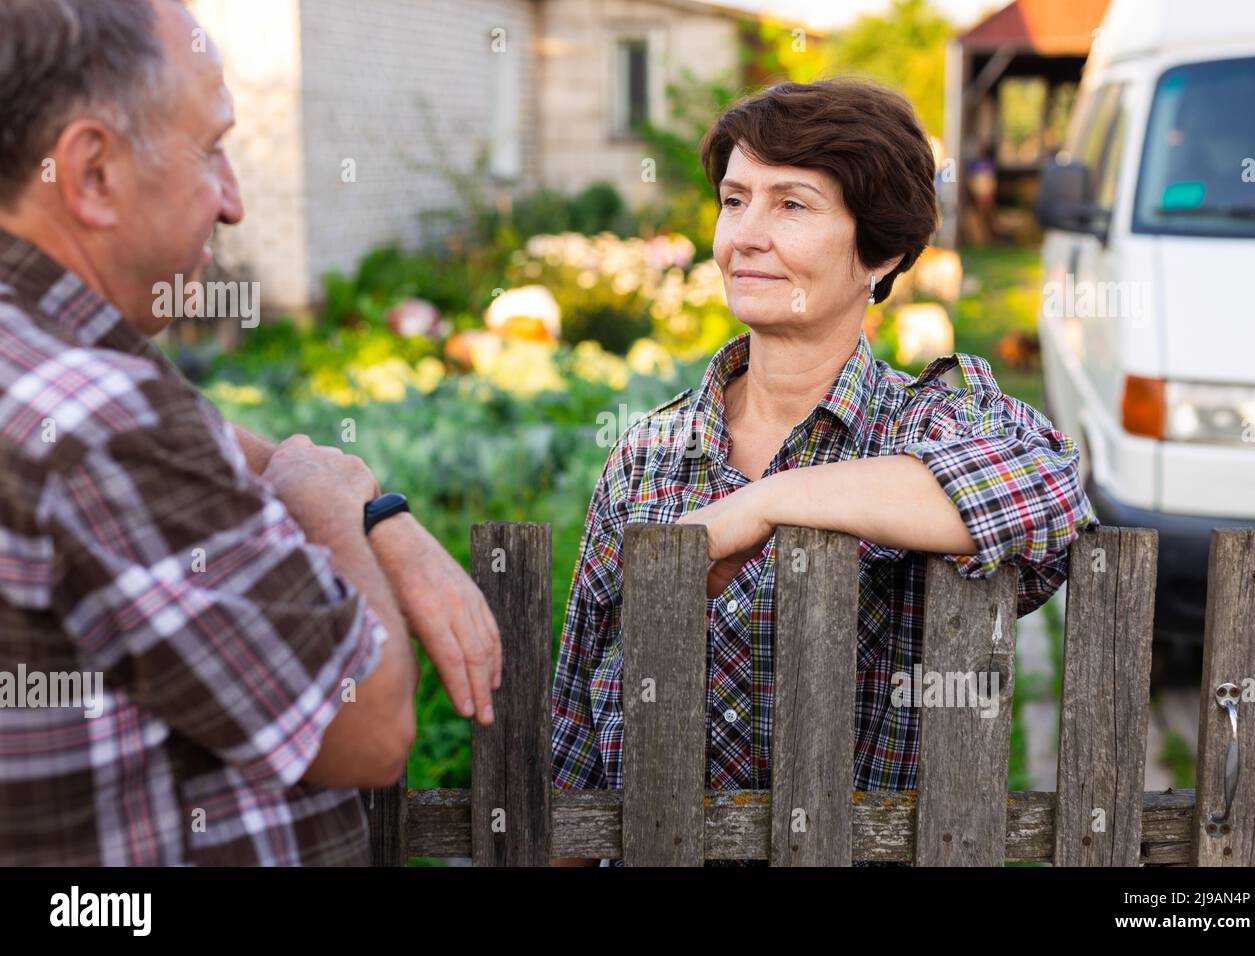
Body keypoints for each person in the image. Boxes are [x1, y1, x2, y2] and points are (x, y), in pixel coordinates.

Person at [550, 78, 1098, 866]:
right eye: (735, 200)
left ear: (881, 251)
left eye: (792, 205)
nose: (746, 235)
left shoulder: (923, 425)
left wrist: (771, 502)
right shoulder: (649, 455)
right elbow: (572, 728)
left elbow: (1049, 491)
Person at [0, 0, 500, 865]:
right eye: (211, 149)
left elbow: (206, 437)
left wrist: (381, 511)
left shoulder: (47, 361)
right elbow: (369, 727)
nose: (232, 203)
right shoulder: (105, 419)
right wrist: (331, 507)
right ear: (90, 174)